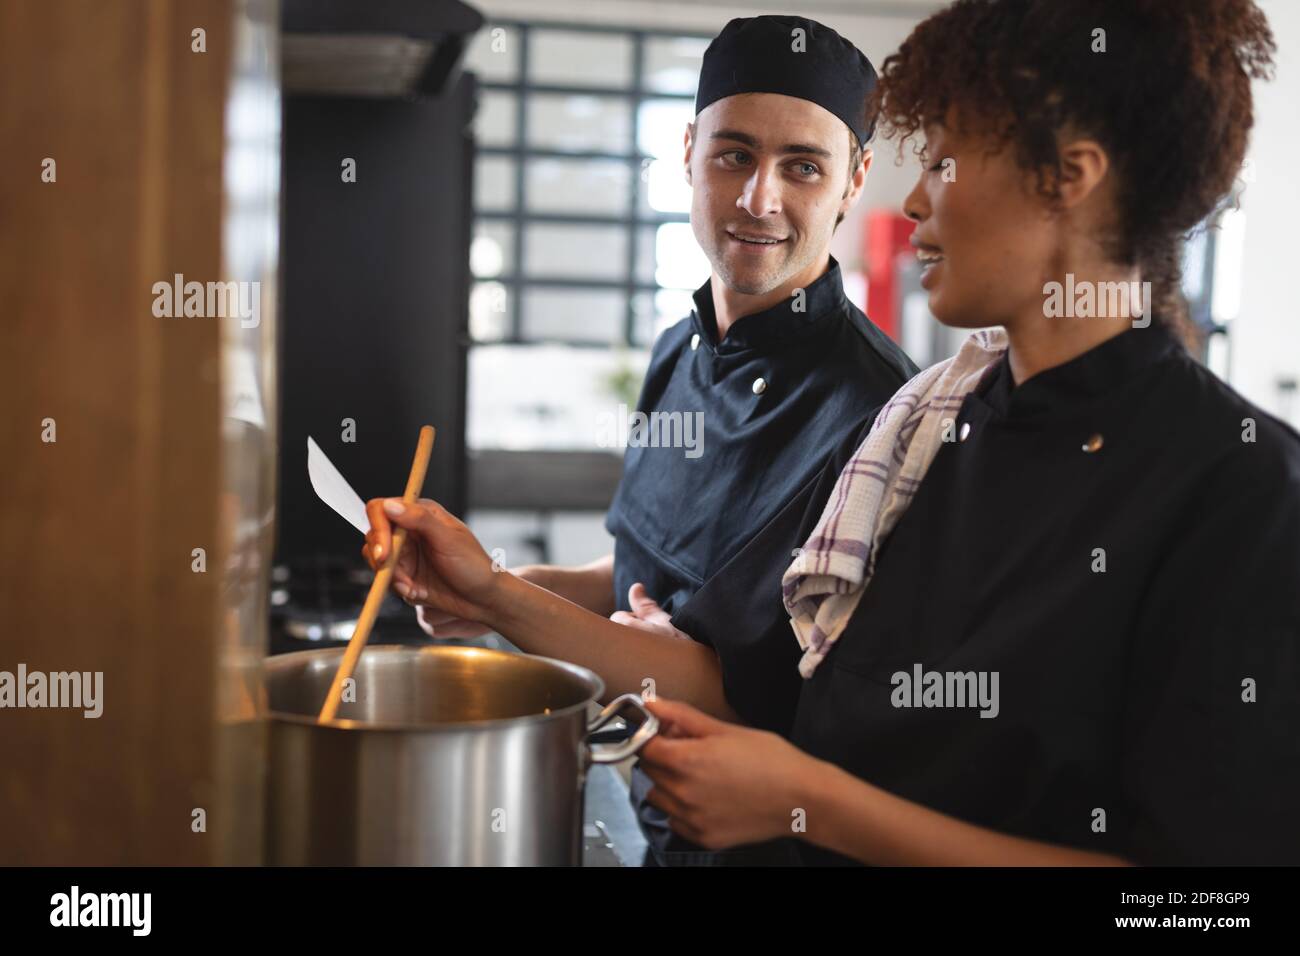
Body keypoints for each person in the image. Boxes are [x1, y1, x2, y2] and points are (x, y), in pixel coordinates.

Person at [371, 0, 1300, 865]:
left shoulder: (1240, 489)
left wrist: (802, 800)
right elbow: (827, 714)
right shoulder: (933, 432)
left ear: (1070, 178)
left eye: (944, 157)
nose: (915, 203)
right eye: (731, 155)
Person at [371, 15, 916, 866]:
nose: (758, 199)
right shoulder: (678, 349)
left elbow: (729, 691)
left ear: (854, 182)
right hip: (642, 808)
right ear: (690, 149)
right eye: (733, 154)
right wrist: (480, 584)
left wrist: (498, 600)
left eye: (802, 167)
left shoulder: (878, 415)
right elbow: (628, 579)